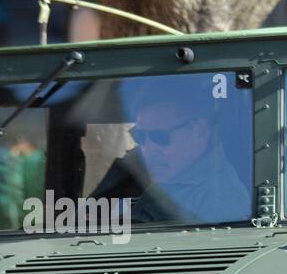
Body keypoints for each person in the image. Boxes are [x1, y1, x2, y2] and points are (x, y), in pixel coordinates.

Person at [92, 81, 251, 225]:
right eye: (140, 136)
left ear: (198, 131)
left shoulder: (220, 199)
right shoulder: (161, 178)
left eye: (160, 137)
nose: (148, 149)